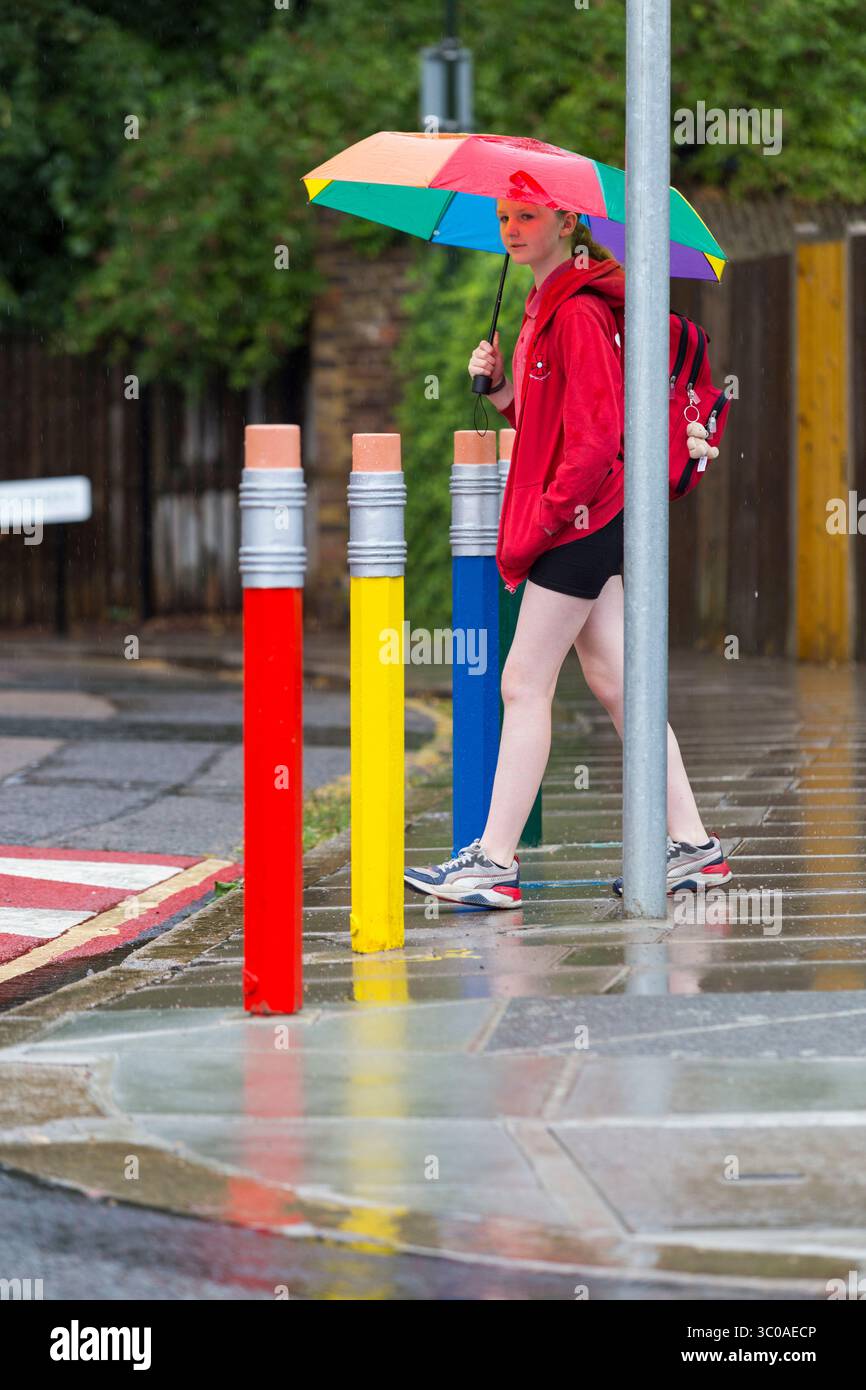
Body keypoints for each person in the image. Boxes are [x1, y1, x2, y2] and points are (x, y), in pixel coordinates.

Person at [404, 198, 733, 908]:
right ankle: (695, 847)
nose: (512, 230)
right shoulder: (543, 309)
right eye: (502, 219)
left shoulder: (578, 312)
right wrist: (499, 389)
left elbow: (590, 446)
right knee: (619, 683)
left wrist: (542, 523)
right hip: (586, 520)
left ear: (565, 224)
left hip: (581, 522)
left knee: (524, 684)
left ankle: (494, 862)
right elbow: (547, 417)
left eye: (525, 216)